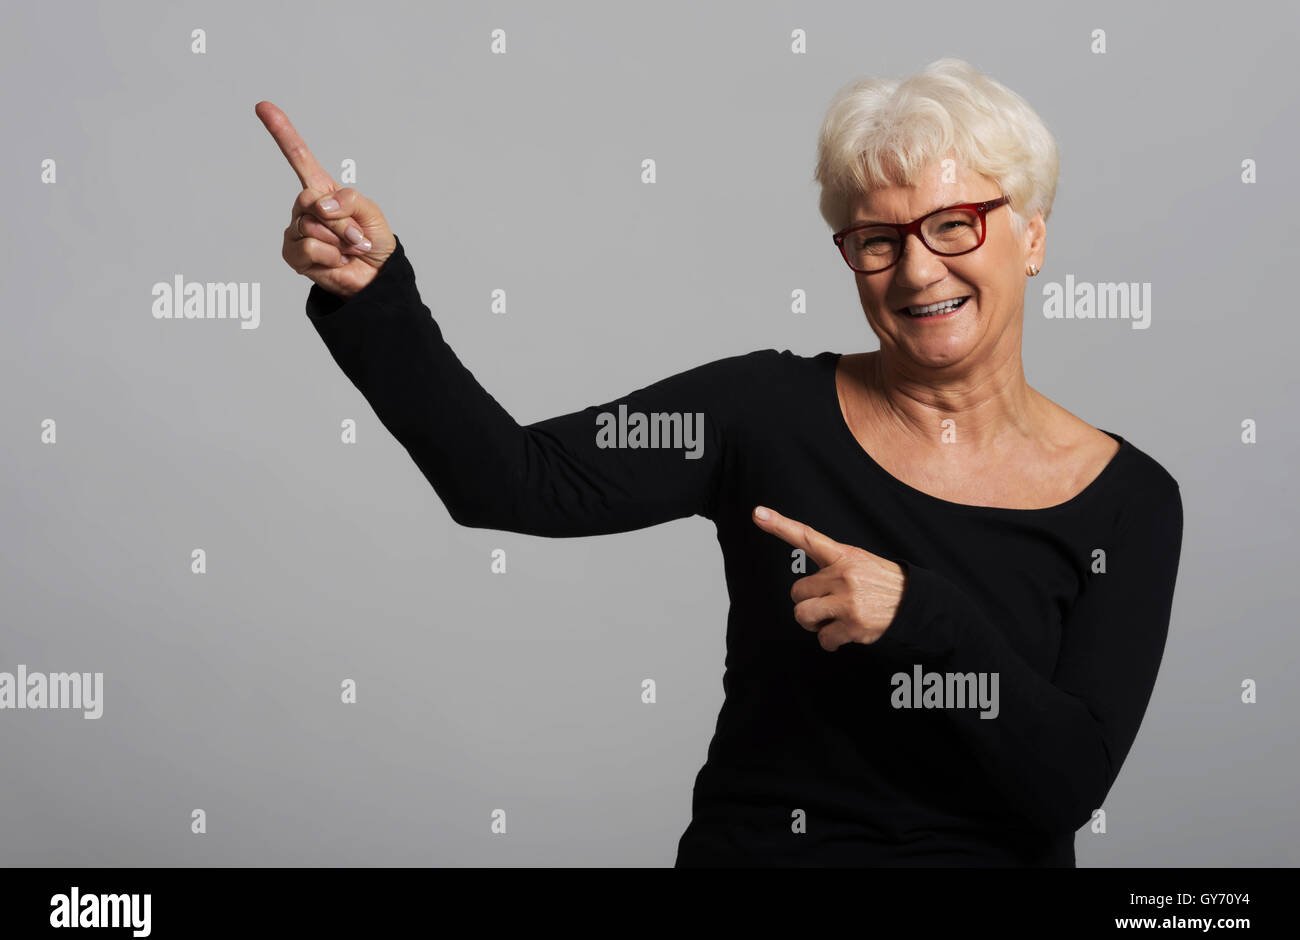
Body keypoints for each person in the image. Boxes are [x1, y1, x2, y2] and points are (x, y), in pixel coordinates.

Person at [255, 57, 1183, 867]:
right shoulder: (760, 413)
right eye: (878, 240)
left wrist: (922, 616)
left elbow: (1064, 786)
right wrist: (377, 298)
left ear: (1033, 235)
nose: (916, 272)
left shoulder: (1128, 500)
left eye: (954, 225)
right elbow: (511, 480)